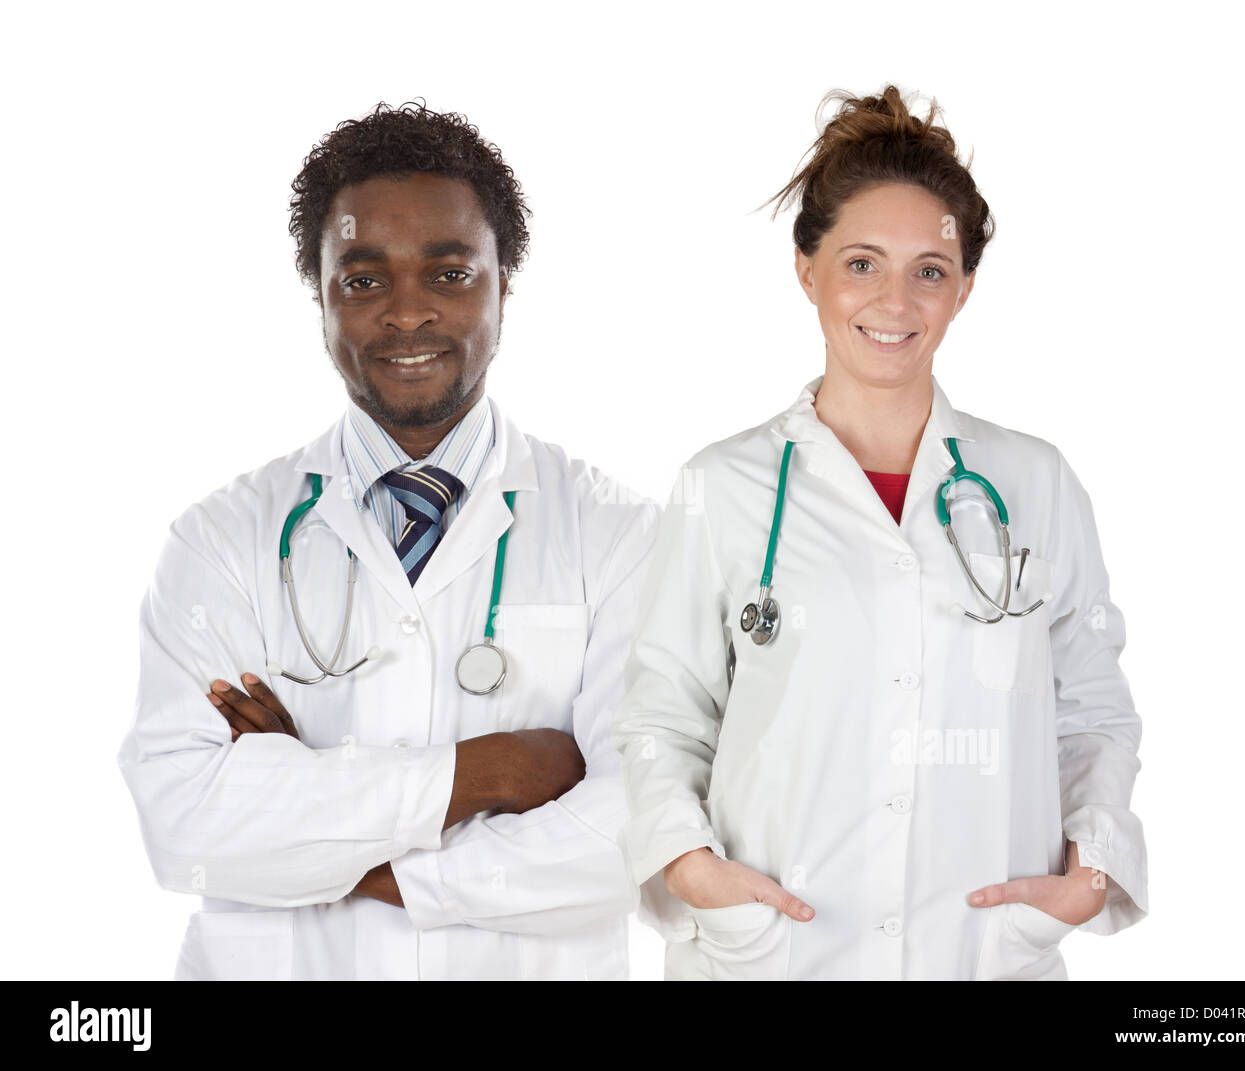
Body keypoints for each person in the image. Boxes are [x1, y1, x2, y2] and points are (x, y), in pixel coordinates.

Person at [612, 85, 1148, 980]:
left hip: (980, 949)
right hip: (776, 949)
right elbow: (664, 715)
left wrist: (1090, 870)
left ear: (964, 287)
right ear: (806, 268)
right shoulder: (725, 485)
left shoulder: (1035, 482)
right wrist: (688, 864)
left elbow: (1091, 709)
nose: (895, 300)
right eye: (862, 263)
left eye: (929, 270)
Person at [118, 102, 659, 981]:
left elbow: (632, 831)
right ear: (322, 295)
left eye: (449, 273)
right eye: (364, 280)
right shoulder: (219, 541)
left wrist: (341, 848)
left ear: (503, 283)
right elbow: (185, 828)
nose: (408, 316)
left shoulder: (620, 535)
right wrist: (484, 774)